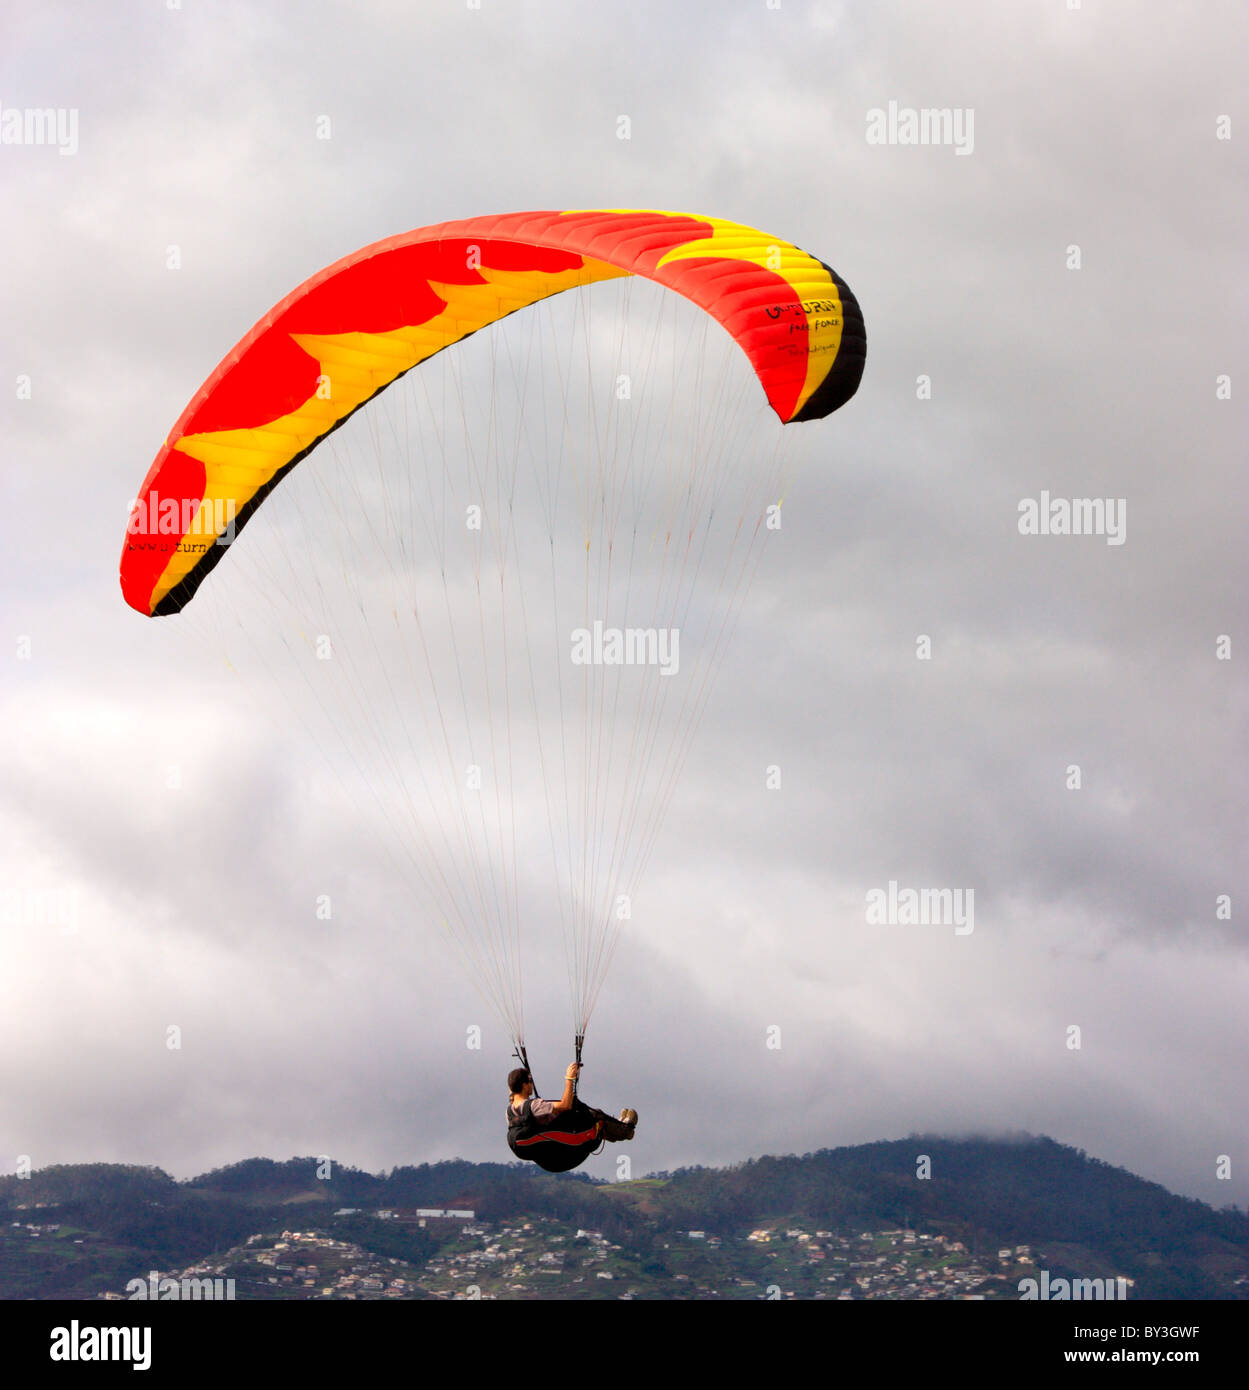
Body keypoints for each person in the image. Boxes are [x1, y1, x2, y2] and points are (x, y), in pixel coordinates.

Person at [506, 1063, 637, 1171]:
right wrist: (569, 1078)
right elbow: (565, 1105)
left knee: (589, 1120)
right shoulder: (534, 1106)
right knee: (596, 1117)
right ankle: (626, 1129)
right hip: (565, 1152)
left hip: (550, 1160)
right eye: (529, 1081)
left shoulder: (509, 1112)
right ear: (524, 1085)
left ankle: (617, 1129)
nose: (531, 1084)